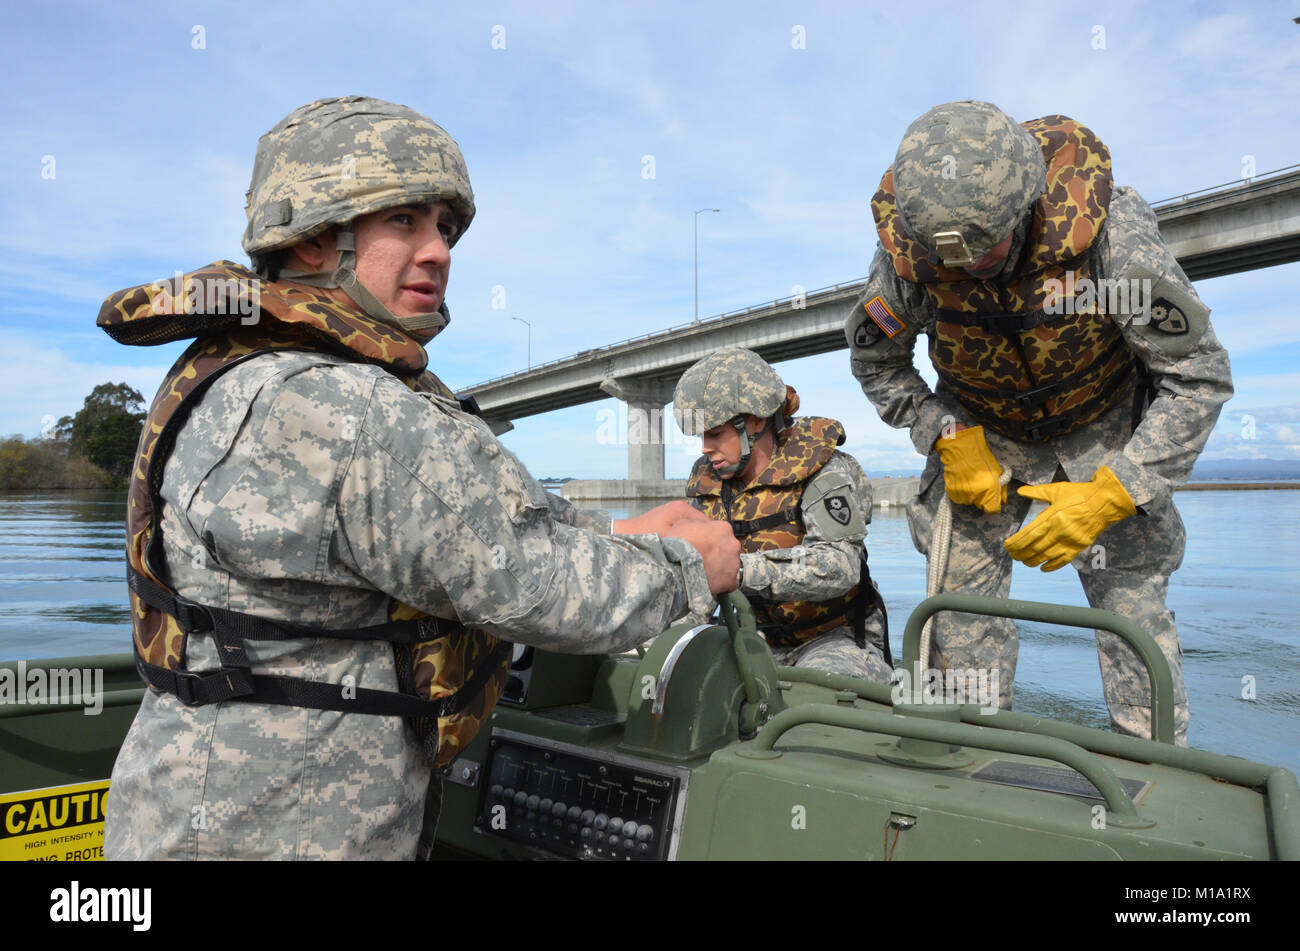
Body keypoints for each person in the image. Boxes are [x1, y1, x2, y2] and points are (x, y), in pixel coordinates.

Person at [99, 96, 739, 860]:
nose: (438, 250)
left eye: (444, 227)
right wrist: (688, 569)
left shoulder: (246, 371)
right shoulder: (341, 406)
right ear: (312, 239)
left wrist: (619, 531)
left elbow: (472, 516)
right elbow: (528, 583)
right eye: (404, 221)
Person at [844, 100, 1233, 744]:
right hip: (981, 434)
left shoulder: (1112, 236)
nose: (973, 267)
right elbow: (876, 363)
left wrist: (1118, 490)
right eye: (957, 261)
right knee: (958, 621)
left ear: (1027, 205)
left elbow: (1199, 377)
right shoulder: (905, 259)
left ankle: (1156, 770)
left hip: (1104, 429)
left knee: (1132, 616)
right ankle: (963, 759)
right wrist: (944, 434)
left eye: (988, 248)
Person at [673, 348, 892, 684]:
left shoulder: (820, 468)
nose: (704, 447)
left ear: (756, 421)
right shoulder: (709, 482)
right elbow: (695, 572)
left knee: (816, 695)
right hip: (750, 638)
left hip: (834, 639)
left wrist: (741, 571)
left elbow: (841, 565)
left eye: (715, 434)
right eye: (701, 436)